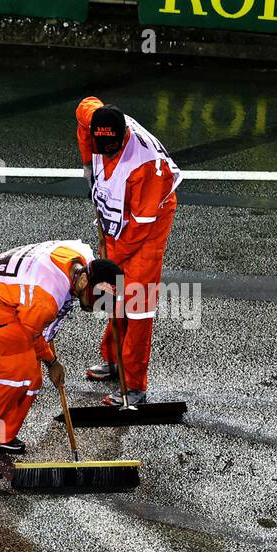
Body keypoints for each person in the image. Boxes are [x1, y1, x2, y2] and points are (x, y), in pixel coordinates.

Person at [0, 241, 122, 479]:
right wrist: (52, 361)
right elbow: (32, 333)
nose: (97, 307)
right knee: (14, 374)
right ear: (84, 281)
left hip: (11, 296)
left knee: (33, 380)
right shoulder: (46, 301)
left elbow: (42, 325)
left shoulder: (81, 258)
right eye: (97, 299)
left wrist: (49, 357)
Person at [76, 97, 181, 405]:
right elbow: (83, 108)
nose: (106, 152)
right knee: (112, 289)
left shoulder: (147, 167)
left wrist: (111, 261)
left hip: (148, 224)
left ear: (124, 137)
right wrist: (87, 162)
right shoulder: (95, 119)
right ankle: (113, 359)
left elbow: (139, 226)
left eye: (113, 148)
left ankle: (135, 385)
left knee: (137, 300)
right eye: (100, 145)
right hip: (118, 211)